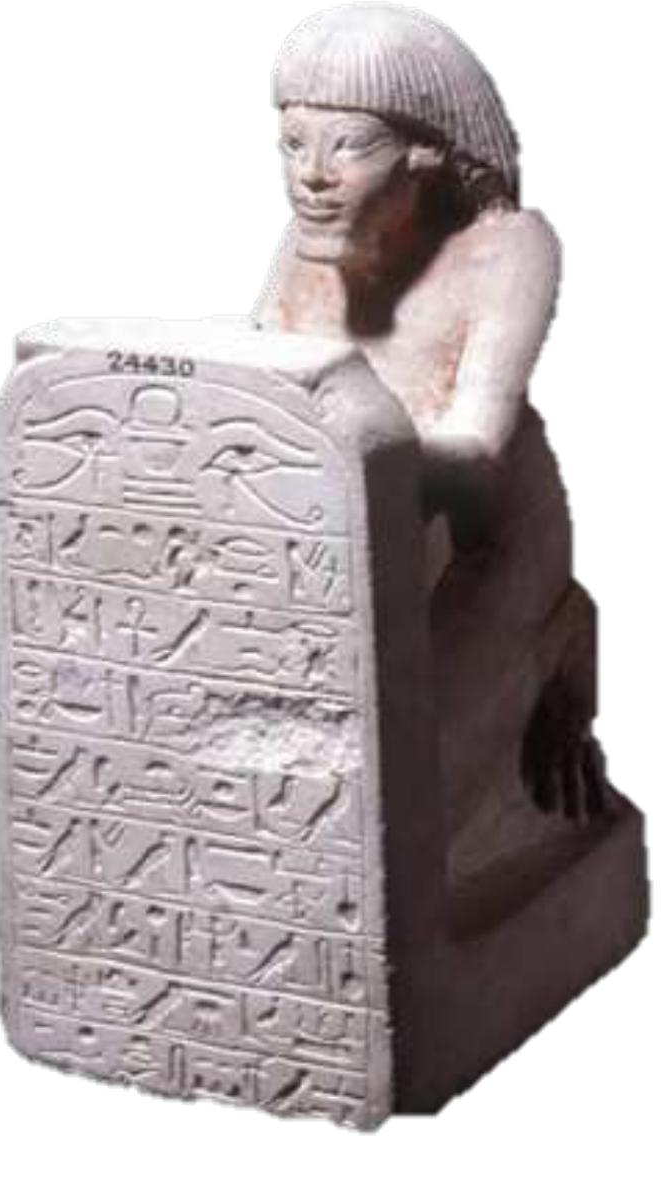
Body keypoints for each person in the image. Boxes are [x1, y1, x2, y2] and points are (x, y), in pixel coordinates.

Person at [254, 4, 604, 824]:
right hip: (345, 529)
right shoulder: (302, 243)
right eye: (294, 143)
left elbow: (476, 459)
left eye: (349, 145)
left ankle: (557, 638)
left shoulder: (508, 248)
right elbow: (262, 397)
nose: (312, 175)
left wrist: (346, 447)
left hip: (483, 538)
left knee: (392, 783)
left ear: (426, 154)